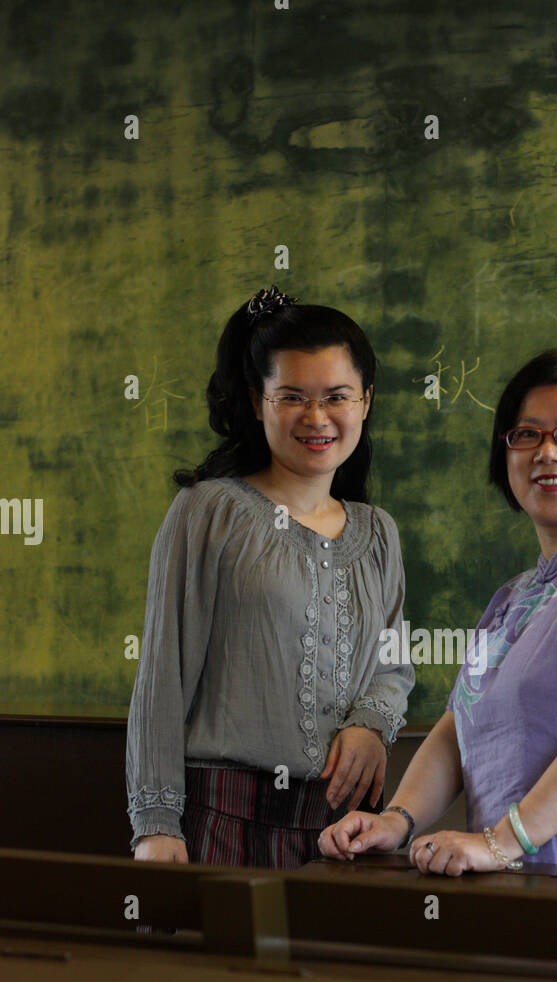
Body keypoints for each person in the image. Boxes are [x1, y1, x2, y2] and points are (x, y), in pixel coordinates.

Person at [319, 349, 557, 875]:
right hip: (513, 891)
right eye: (526, 435)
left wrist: (499, 842)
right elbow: (458, 729)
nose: (546, 452)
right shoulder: (514, 596)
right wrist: (396, 820)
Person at [126, 286, 414, 867]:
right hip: (222, 820)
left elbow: (394, 662)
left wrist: (369, 727)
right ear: (258, 403)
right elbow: (162, 675)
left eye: (337, 396)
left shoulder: (377, 531)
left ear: (365, 401)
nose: (317, 417)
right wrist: (156, 825)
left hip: (345, 829)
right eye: (292, 397)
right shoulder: (208, 511)